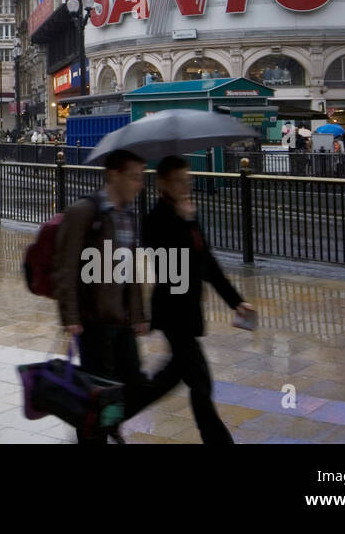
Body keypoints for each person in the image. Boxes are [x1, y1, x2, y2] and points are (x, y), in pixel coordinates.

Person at [141, 156, 254, 444]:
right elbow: (169, 264)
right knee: (200, 381)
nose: (185, 186)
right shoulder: (158, 217)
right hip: (172, 310)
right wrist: (185, 221)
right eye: (179, 181)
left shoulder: (185, 214)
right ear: (164, 182)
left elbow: (207, 261)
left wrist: (235, 301)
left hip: (187, 310)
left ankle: (113, 411)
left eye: (187, 180)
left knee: (169, 379)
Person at [52, 148, 150, 444]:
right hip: (93, 319)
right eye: (134, 177)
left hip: (121, 318)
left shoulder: (125, 215)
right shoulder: (85, 212)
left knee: (133, 382)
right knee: (99, 391)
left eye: (141, 178)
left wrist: (138, 314)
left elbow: (129, 269)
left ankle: (107, 423)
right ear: (113, 175)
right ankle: (97, 431)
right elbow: (65, 266)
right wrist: (70, 316)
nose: (139, 185)